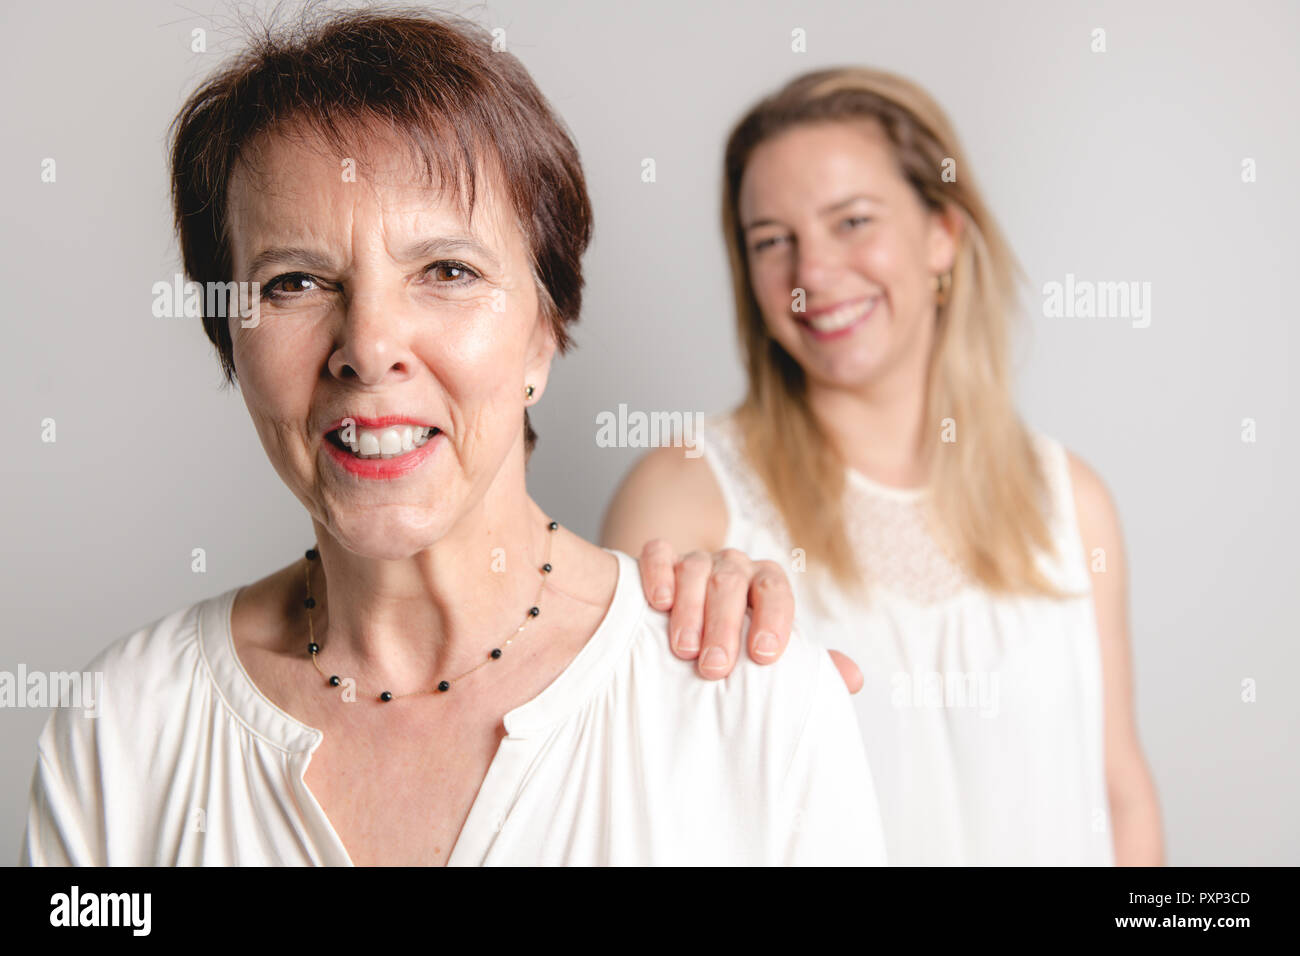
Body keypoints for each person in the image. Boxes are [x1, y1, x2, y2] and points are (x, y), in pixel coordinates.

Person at [20, 10, 885, 867]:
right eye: (295, 281)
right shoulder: (121, 732)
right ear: (231, 342)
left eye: (446, 271)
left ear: (545, 332)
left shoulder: (748, 708)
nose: (368, 347)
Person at [603, 67, 1163, 865]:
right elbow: (640, 817)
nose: (813, 275)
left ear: (944, 233)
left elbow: (1121, 792)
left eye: (852, 221)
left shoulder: (1072, 503)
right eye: (771, 241)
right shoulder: (685, 501)